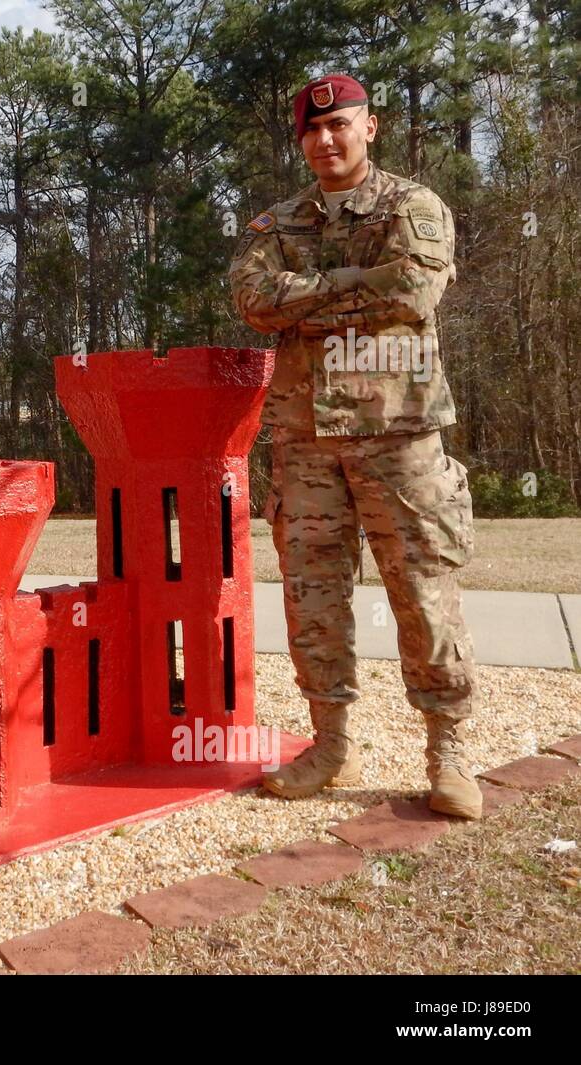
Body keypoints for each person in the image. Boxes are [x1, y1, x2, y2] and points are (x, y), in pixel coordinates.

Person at [227, 73, 482, 819]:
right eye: (311, 130)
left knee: (424, 594)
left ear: (369, 127)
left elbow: (412, 291)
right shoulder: (274, 224)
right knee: (313, 599)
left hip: (398, 436)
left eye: (340, 124)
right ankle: (331, 745)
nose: (326, 139)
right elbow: (252, 301)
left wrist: (309, 292)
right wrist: (351, 286)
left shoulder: (414, 206)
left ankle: (448, 753)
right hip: (306, 441)